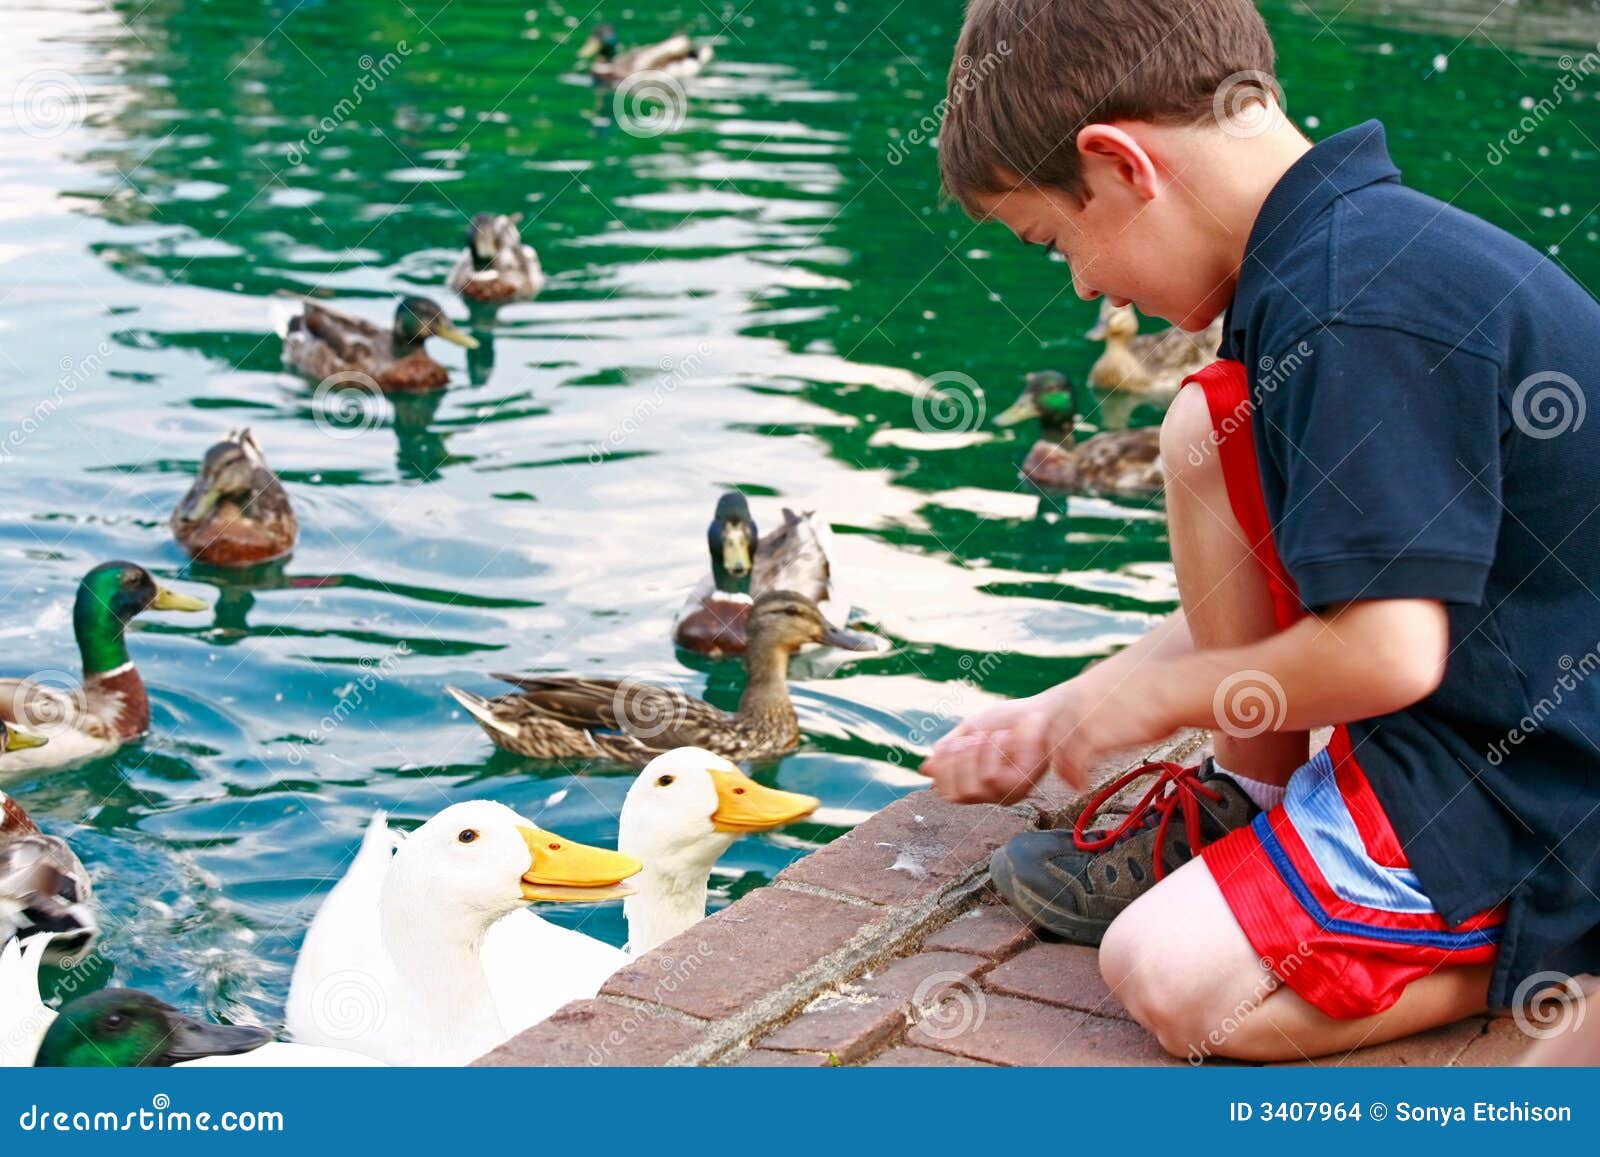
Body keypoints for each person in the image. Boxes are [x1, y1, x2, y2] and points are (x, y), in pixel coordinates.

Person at [921, 0, 1600, 1061]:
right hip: (1488, 704)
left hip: (1542, 773)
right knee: (1206, 422)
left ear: (1121, 164)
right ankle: (1256, 805)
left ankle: (1542, 946)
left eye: (1056, 239)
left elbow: (1385, 650)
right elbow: (1319, 599)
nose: (1085, 282)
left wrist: (1143, 699)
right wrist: (1061, 707)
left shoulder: (1349, 308)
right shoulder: (1327, 261)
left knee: (1172, 977)